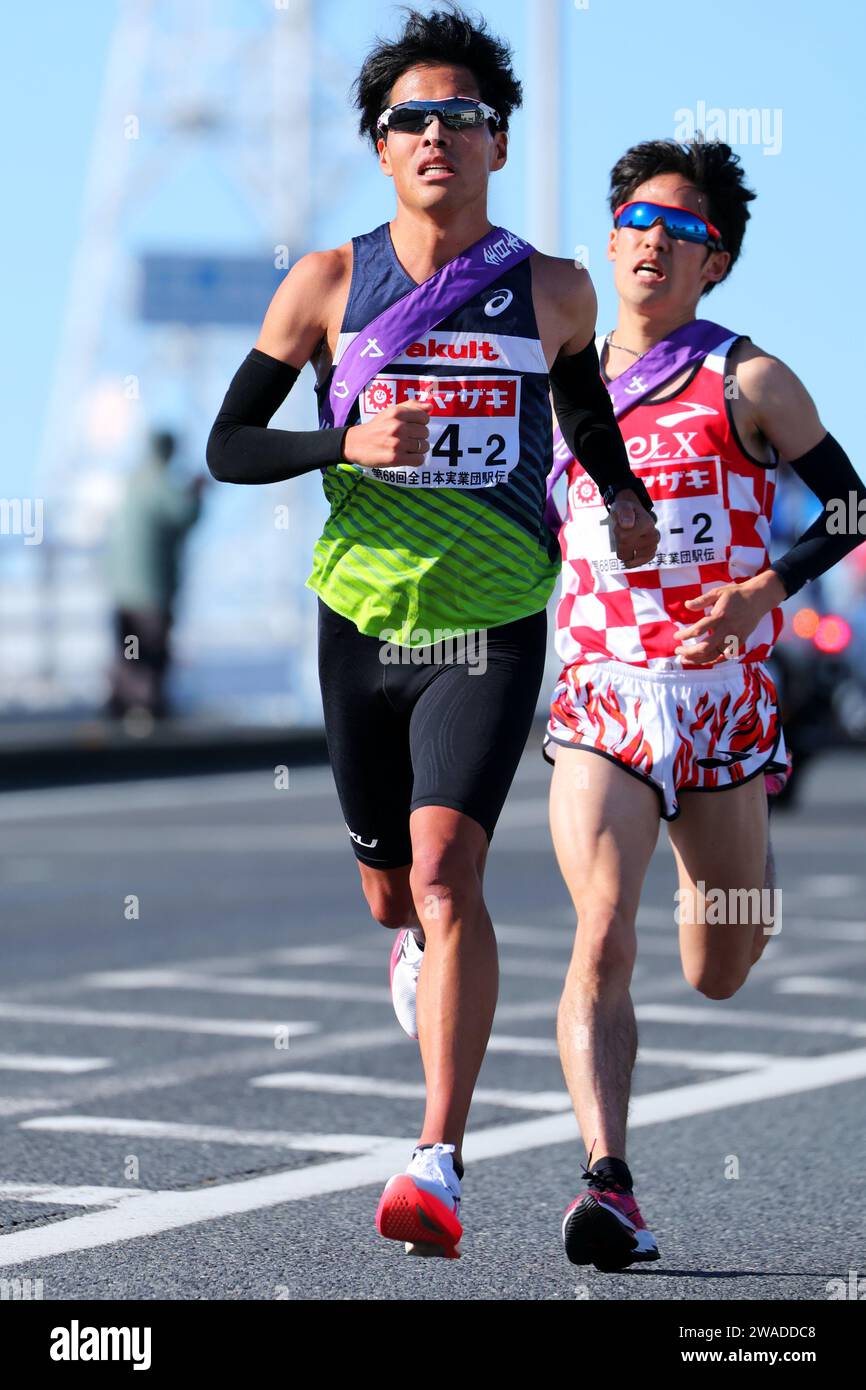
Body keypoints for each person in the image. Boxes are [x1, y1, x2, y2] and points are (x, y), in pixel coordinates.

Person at [206, 4, 657, 1259]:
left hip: (493, 624)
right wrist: (342, 440)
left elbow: (586, 424)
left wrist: (620, 503)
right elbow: (228, 446)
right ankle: (407, 937)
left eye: (459, 115)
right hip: (359, 623)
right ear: (379, 145)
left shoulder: (555, 292)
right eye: (410, 118)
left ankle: (436, 1158)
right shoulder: (327, 284)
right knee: (391, 889)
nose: (435, 135)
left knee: (451, 872)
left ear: (496, 143)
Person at [543, 138, 866, 1272]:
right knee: (600, 927)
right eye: (631, 218)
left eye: (675, 230)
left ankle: (719, 870)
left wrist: (760, 592)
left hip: (722, 702)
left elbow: (850, 506)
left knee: (718, 964)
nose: (647, 240)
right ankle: (606, 1182)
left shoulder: (748, 379)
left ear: (711, 262)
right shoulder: (557, 380)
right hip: (600, 698)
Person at [105, 428, 205, 722]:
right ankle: (149, 712)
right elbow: (184, 515)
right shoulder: (160, 483)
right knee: (152, 654)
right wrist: (196, 493)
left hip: (122, 590)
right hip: (152, 590)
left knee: (128, 653)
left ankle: (121, 708)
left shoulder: (132, 483)